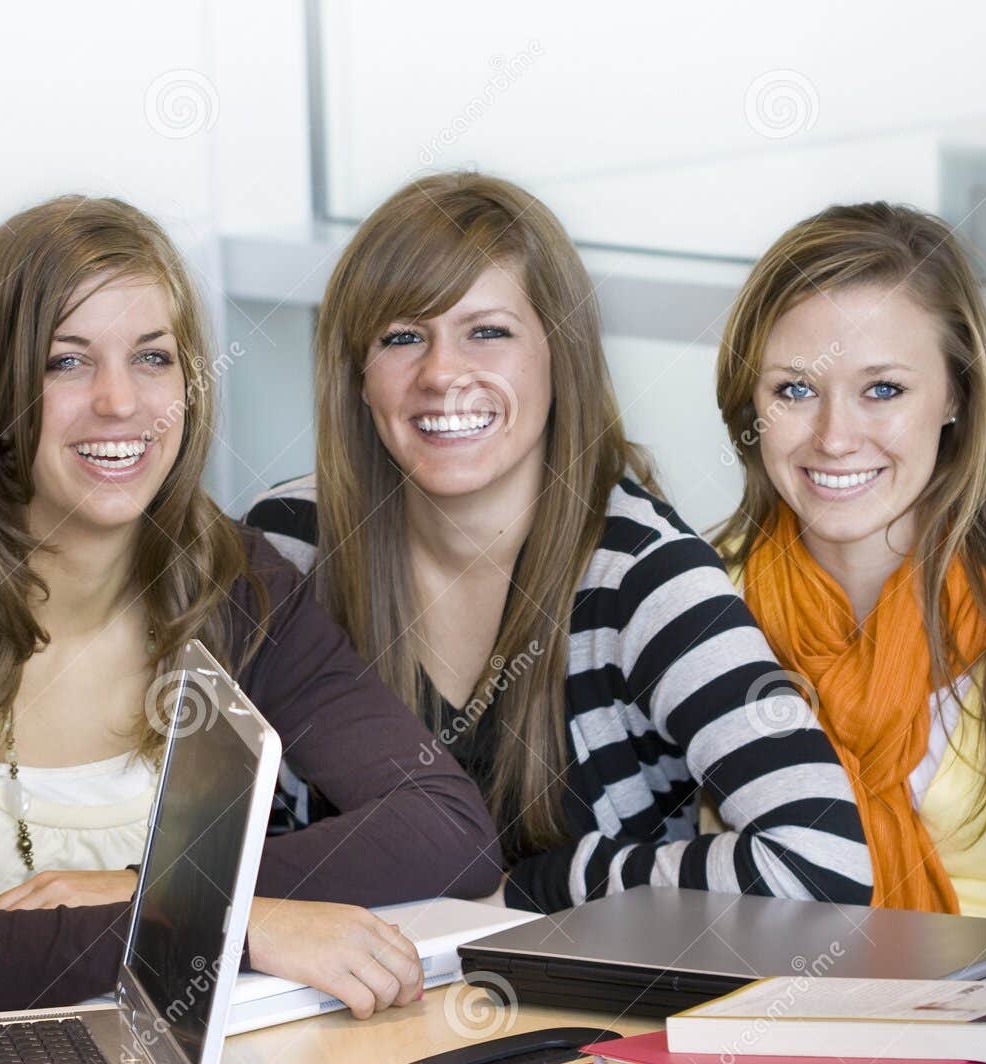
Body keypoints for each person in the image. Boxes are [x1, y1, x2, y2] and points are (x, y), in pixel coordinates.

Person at [0, 195, 502, 1022]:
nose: (120, 401)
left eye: (154, 358)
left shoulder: (235, 581)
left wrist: (151, 893)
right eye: (67, 362)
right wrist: (228, 926)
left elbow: (447, 824)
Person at [247, 172, 872, 913]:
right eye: (403, 336)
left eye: (488, 332)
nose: (442, 372)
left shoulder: (645, 577)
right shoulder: (289, 543)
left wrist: (537, 889)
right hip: (322, 1015)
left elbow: (823, 863)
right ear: (357, 375)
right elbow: (213, 850)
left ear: (559, 353)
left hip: (573, 1021)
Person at [711, 201, 986, 1007]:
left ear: (955, 397)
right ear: (750, 405)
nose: (835, 436)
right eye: (795, 388)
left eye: (883, 389)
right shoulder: (701, 600)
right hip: (786, 1049)